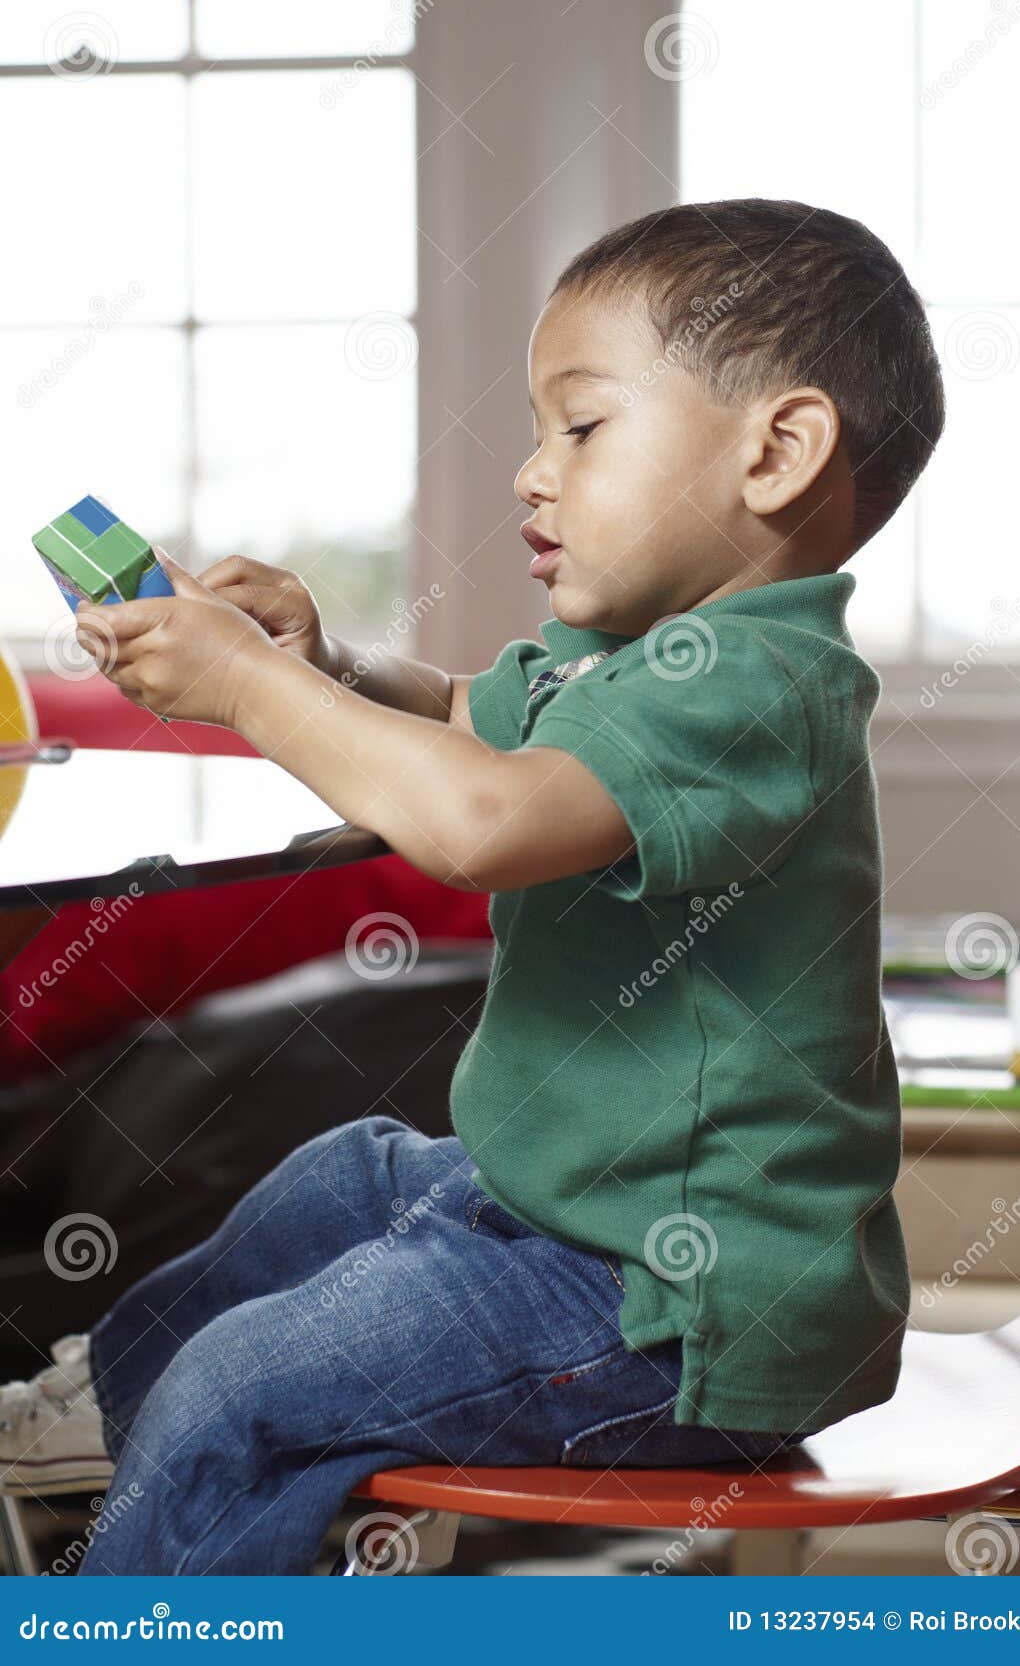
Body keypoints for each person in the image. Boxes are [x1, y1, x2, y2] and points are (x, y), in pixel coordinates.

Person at [0, 199, 944, 1575]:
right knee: (342, 1177)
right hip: (574, 1227)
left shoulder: (758, 682)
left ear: (778, 452)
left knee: (249, 1388)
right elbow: (464, 716)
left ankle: (162, 1558)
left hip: (684, 1311)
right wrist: (320, 661)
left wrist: (249, 687)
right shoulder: (637, 663)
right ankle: (121, 1413)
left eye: (583, 426)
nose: (531, 473)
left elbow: (485, 823)